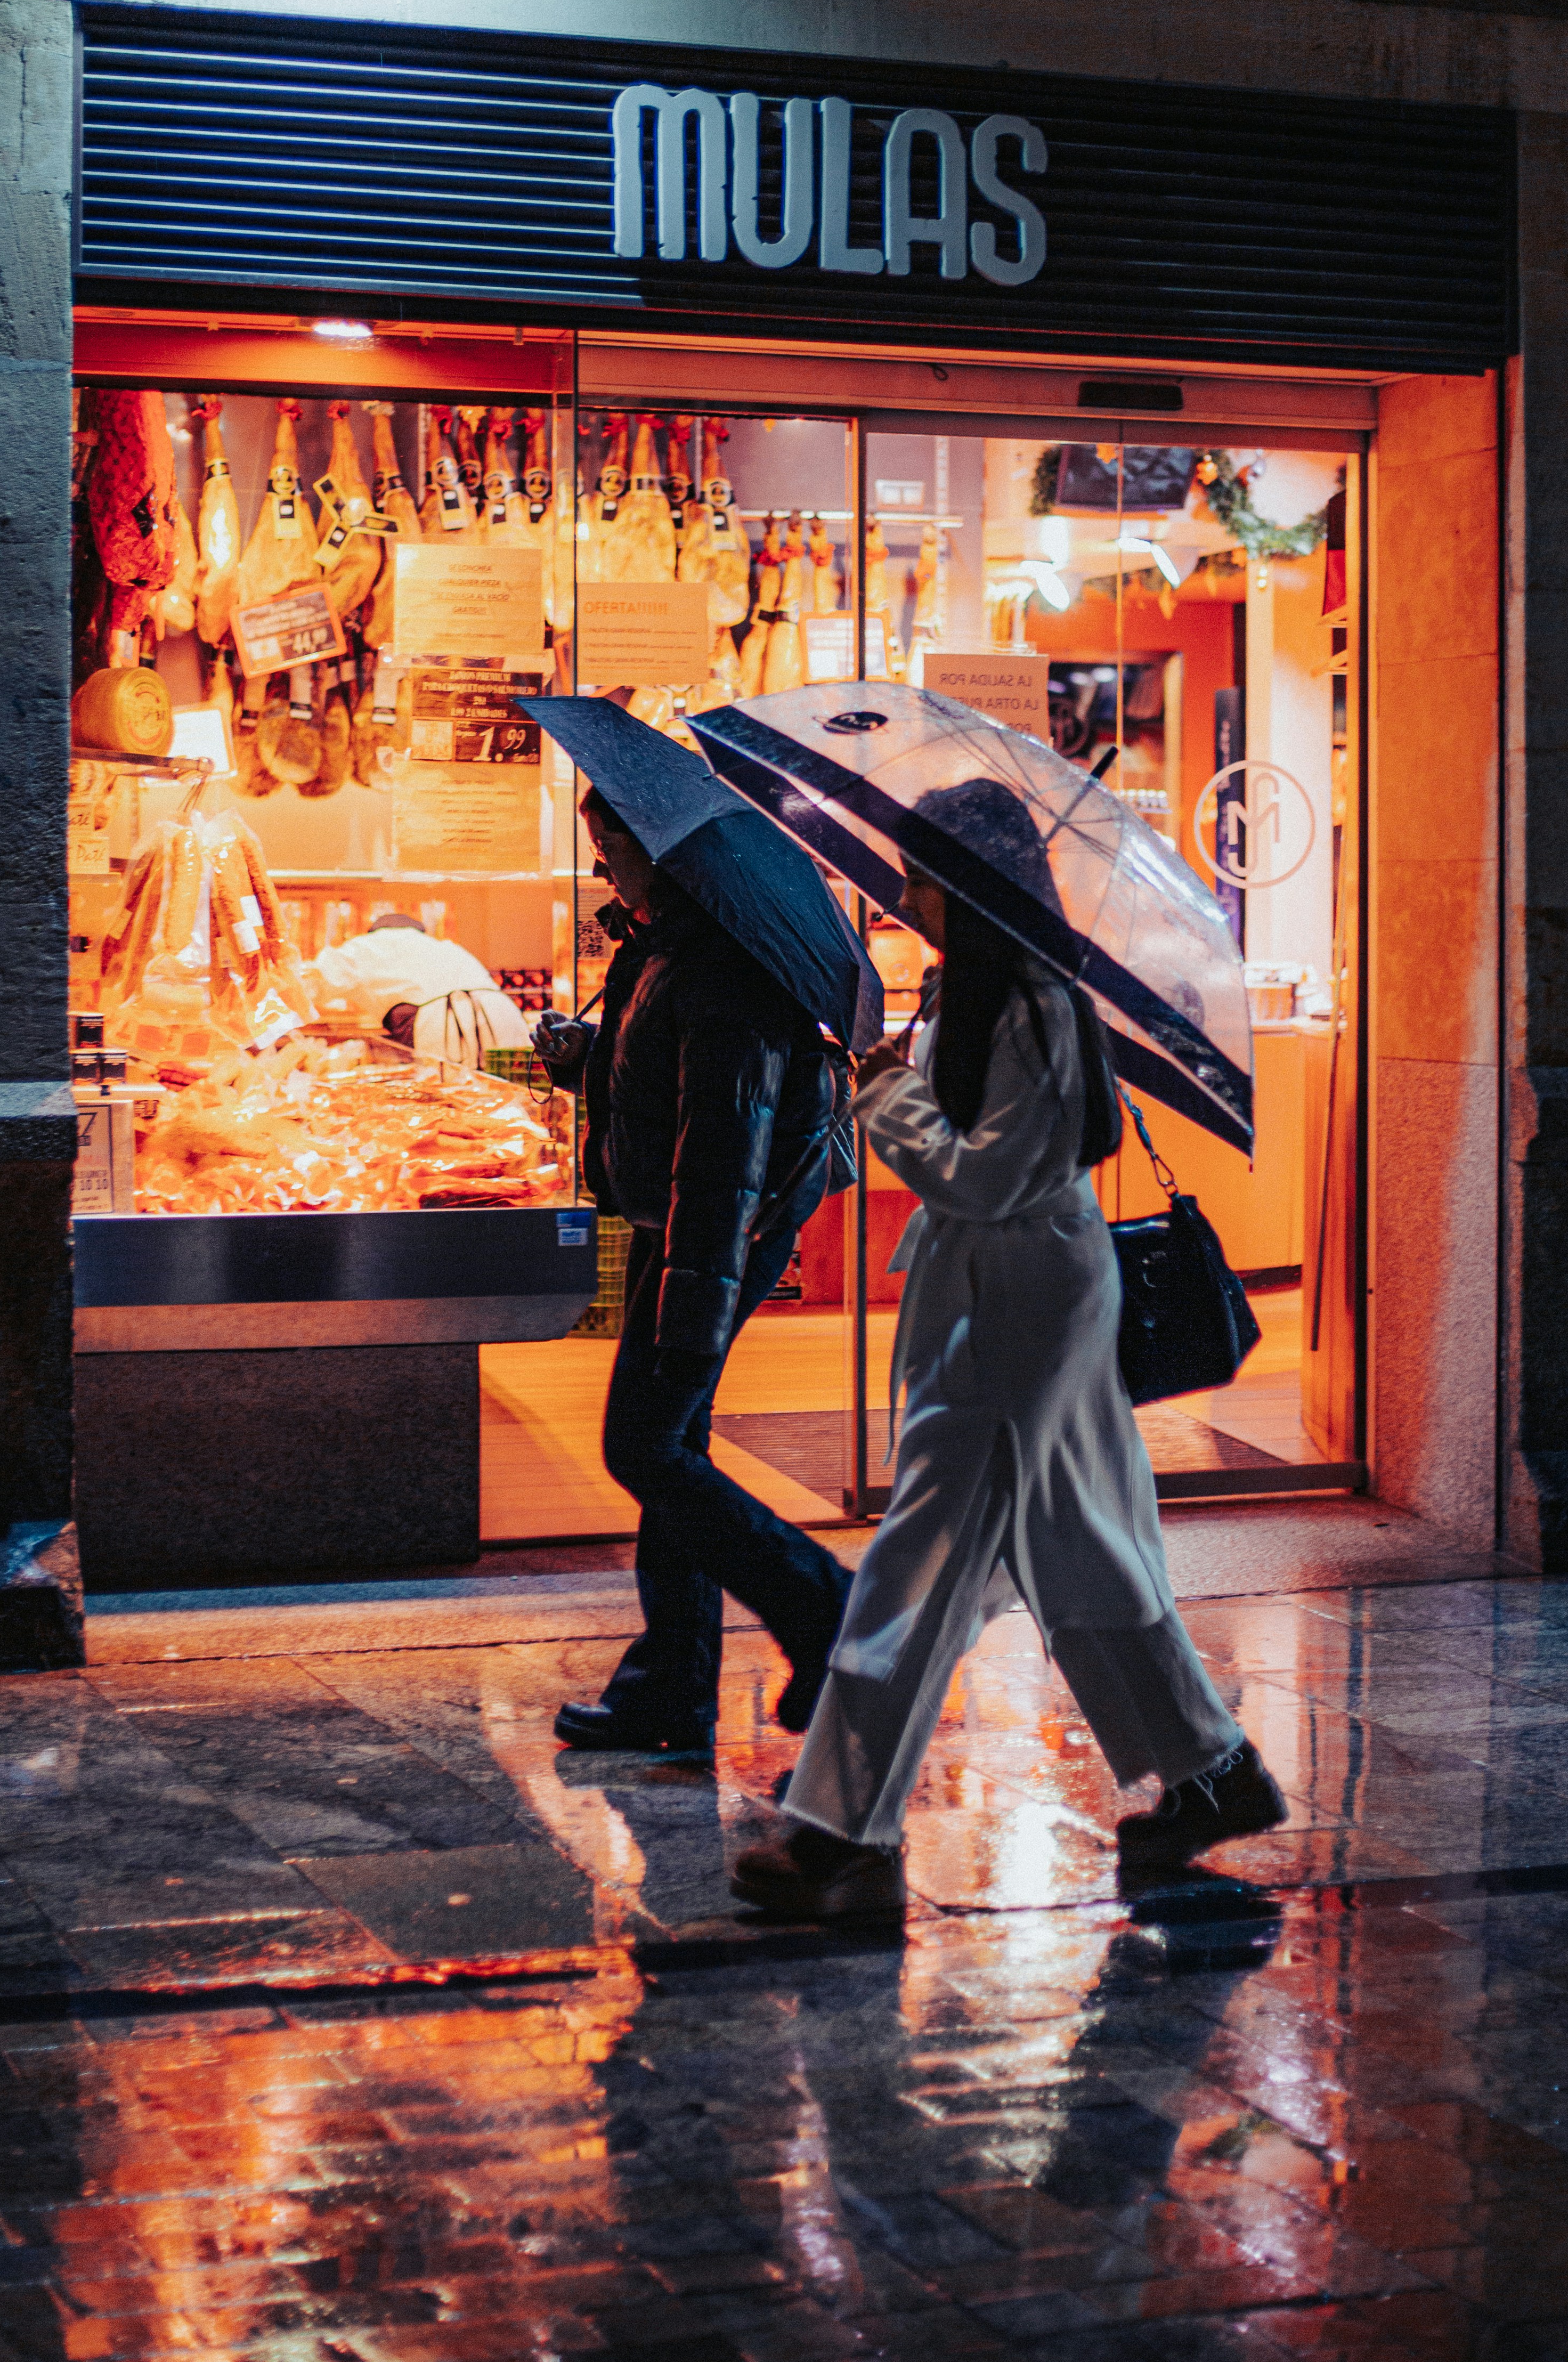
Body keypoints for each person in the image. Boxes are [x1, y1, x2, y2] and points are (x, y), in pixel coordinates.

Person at [732, 784, 1286, 1920]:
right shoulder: (986, 992)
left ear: (974, 884)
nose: (910, 895)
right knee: (1081, 1548)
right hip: (1010, 1303)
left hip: (1012, 1320)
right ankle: (1212, 1774)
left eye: (925, 875)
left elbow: (986, 1175)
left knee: (913, 1573)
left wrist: (886, 1092)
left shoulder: (1030, 999)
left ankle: (839, 1827)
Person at [532, 787, 850, 1758]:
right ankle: (671, 1686)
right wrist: (590, 1057)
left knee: (645, 1445)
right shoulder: (669, 942)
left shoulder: (724, 968)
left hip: (710, 1237)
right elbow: (669, 1080)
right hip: (681, 1229)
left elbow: (724, 1152)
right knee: (674, 1448)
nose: (600, 868)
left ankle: (827, 1606)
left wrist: (692, 1296)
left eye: (606, 847)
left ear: (660, 851)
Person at [306, 912, 531, 1057]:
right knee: (511, 1102)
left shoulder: (365, 947)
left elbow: (308, 984)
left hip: (451, 1026)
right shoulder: (446, 947)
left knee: (458, 1102)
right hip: (508, 1019)